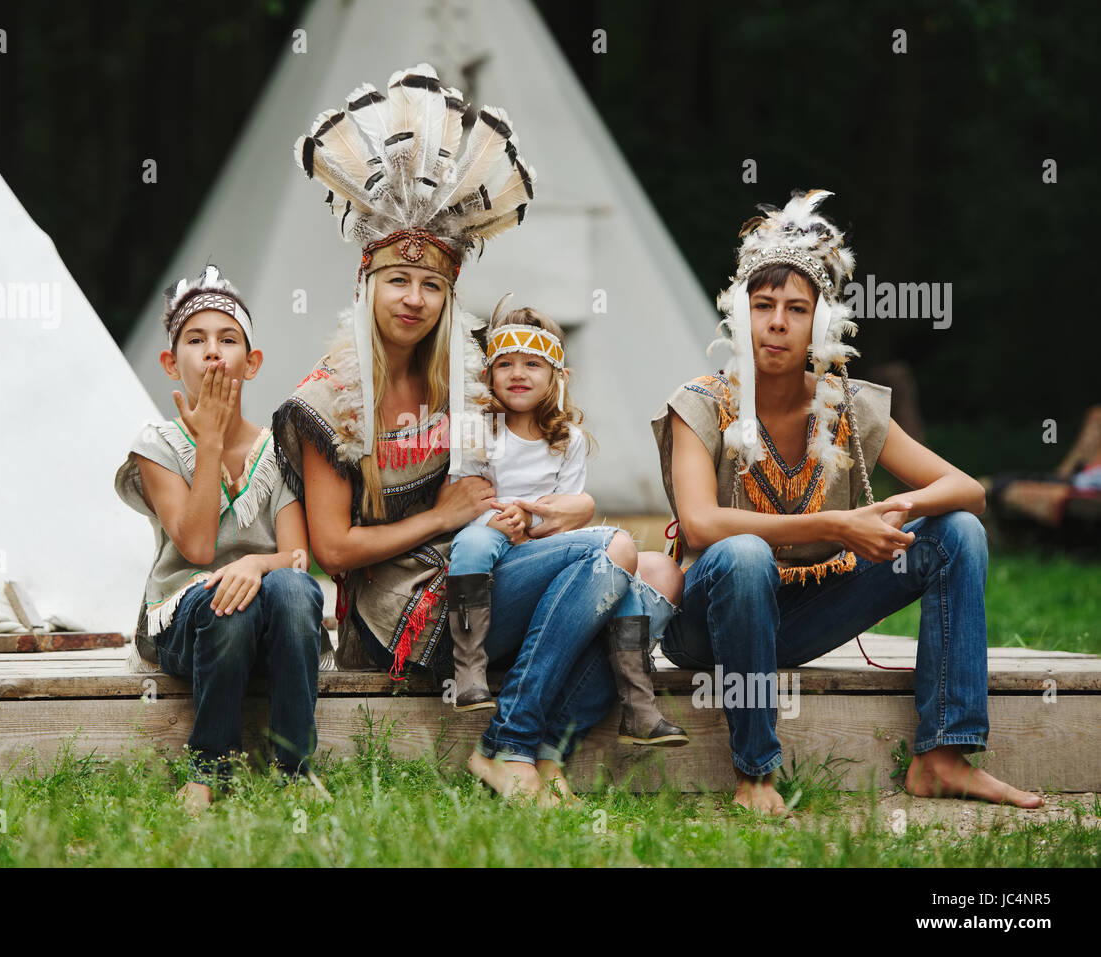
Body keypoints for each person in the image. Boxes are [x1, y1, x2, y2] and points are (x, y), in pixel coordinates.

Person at [274, 63, 638, 804]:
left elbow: (515, 476)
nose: (414, 298)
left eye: (432, 285)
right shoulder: (327, 399)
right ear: (367, 282)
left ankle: (537, 746)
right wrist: (444, 516)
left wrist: (546, 511)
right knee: (608, 559)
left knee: (644, 593)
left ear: (448, 295)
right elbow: (333, 547)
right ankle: (515, 744)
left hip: (475, 581)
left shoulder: (468, 381)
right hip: (392, 621)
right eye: (399, 280)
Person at [652, 190, 1043, 815]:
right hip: (708, 624)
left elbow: (964, 487)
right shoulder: (699, 402)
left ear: (821, 325)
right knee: (746, 554)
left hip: (802, 616)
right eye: (762, 305)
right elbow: (699, 524)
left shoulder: (847, 404)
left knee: (959, 532)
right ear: (738, 314)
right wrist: (838, 522)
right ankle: (756, 773)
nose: (777, 321)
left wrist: (892, 513)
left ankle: (942, 755)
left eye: (796, 308)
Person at [115, 265, 326, 814]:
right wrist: (207, 443)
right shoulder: (157, 445)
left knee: (295, 591)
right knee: (224, 604)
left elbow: (298, 557)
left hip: (268, 622)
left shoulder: (276, 449)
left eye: (228, 339)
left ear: (251, 363)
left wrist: (256, 566)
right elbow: (199, 550)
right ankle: (208, 766)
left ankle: (293, 767)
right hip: (188, 623)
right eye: (196, 339)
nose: (213, 352)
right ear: (170, 363)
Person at [445, 301, 688, 748]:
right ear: (488, 375)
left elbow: (566, 520)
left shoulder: (568, 441)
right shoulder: (479, 429)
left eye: (533, 364)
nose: (518, 374)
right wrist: (503, 521)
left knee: (642, 571)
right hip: (492, 559)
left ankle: (637, 700)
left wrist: (536, 519)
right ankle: (468, 670)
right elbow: (464, 502)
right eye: (506, 364)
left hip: (541, 550)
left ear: (559, 376)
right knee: (475, 542)